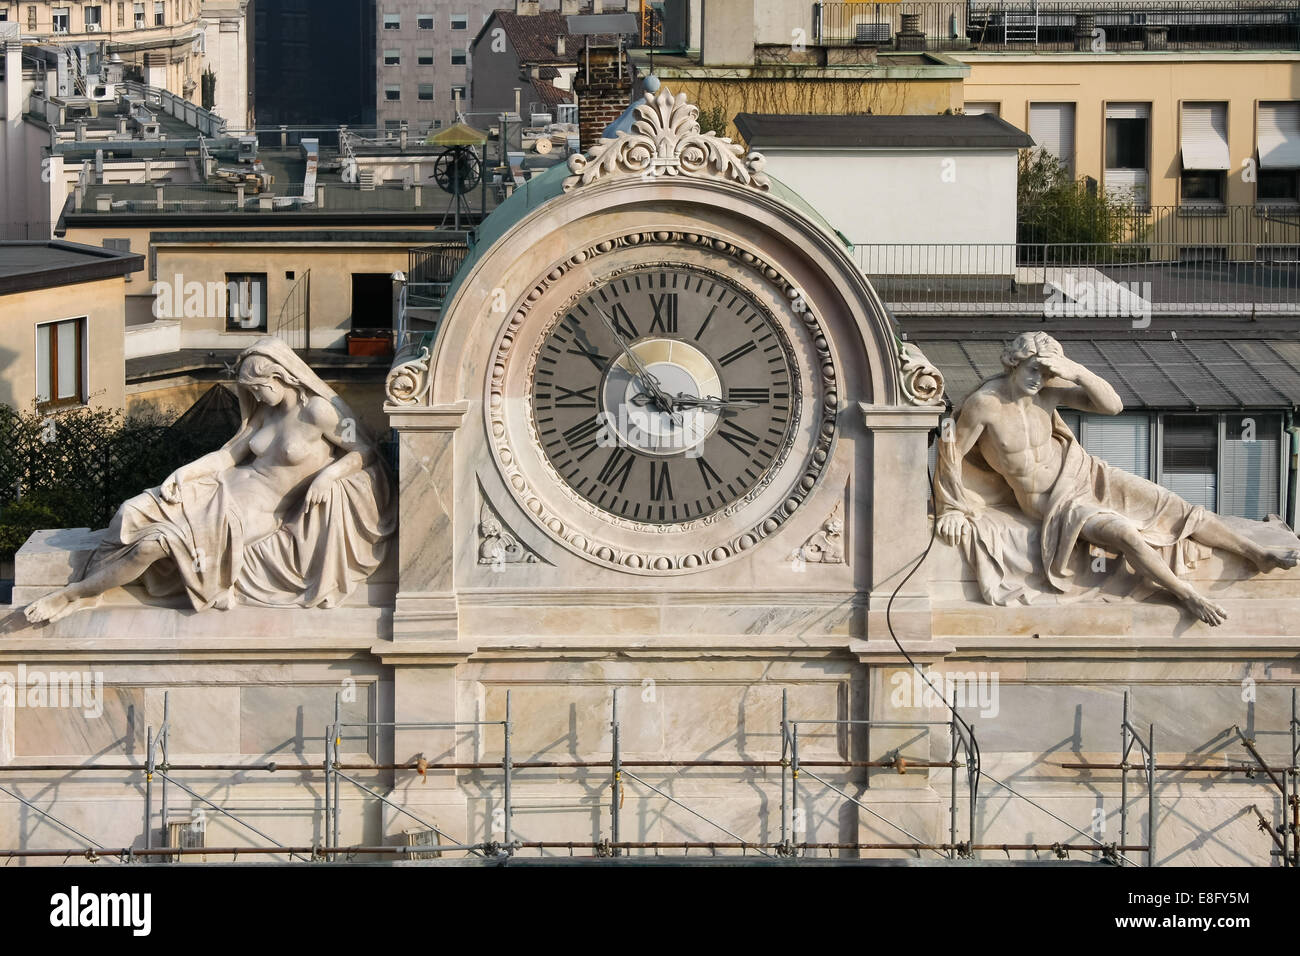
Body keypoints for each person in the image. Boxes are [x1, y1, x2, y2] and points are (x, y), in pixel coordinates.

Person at [935, 331, 1298, 626]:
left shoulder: (1048, 392)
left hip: (1084, 472)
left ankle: (1258, 553)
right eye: (1033, 369)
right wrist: (952, 506)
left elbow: (1112, 406)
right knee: (1124, 533)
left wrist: (1074, 370)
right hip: (1059, 504)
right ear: (1014, 363)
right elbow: (950, 451)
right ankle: (1187, 594)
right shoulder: (985, 404)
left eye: (1045, 373)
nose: (1038, 379)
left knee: (1177, 507)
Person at [24, 337, 393, 623]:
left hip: (254, 514)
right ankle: (93, 582)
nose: (253, 396)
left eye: (258, 388)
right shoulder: (267, 414)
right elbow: (228, 457)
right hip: (218, 490)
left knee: (152, 546)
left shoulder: (320, 412)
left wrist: (329, 474)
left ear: (282, 377)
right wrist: (184, 474)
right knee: (132, 509)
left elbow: (365, 451)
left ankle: (77, 594)